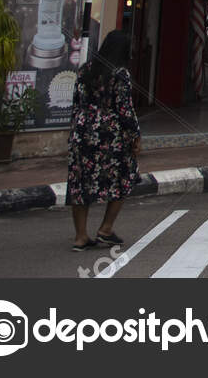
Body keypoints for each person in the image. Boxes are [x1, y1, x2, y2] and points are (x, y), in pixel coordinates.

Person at [66, 29, 140, 251]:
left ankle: (80, 236)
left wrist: (76, 130)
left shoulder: (85, 70)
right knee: (124, 177)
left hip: (82, 131)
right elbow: (125, 109)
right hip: (110, 133)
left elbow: (77, 102)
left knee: (80, 183)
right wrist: (135, 135)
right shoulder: (120, 74)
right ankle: (106, 228)